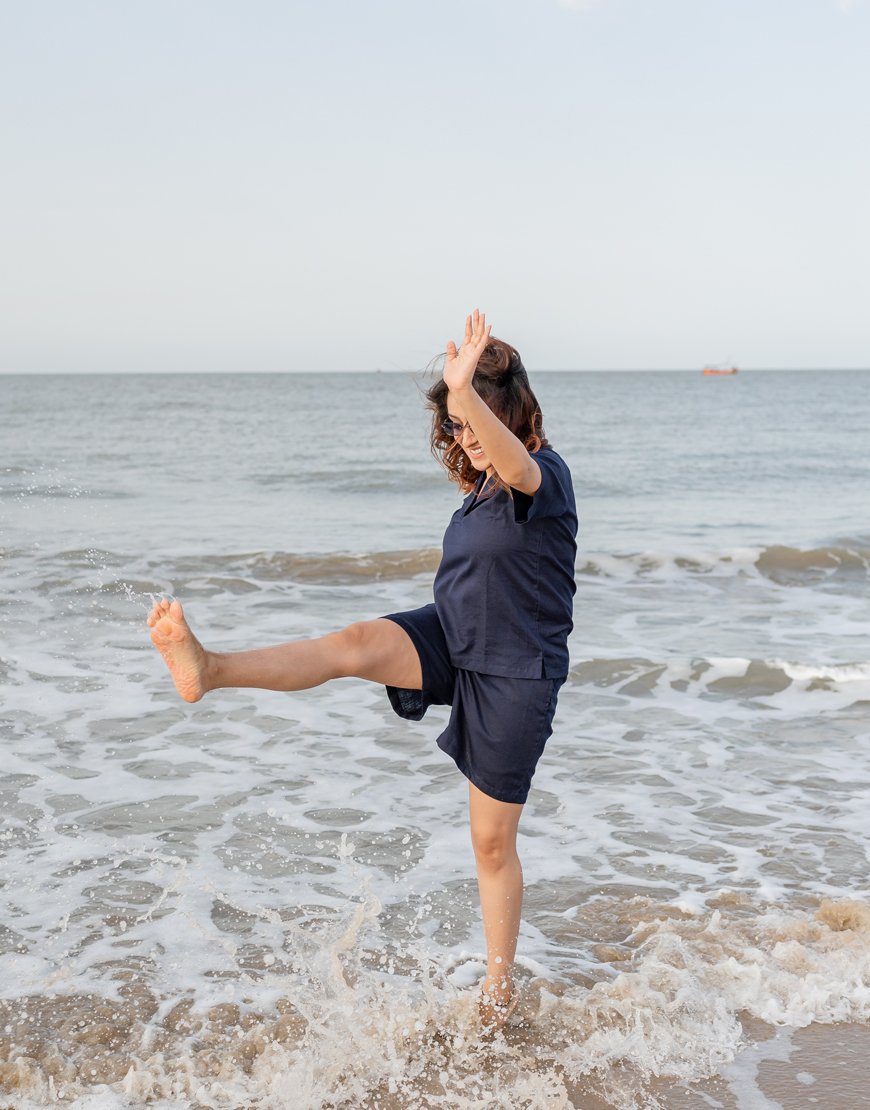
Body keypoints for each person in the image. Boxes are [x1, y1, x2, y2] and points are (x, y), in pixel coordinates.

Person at [146, 310, 577, 1032]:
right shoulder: (475, 490)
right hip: (453, 634)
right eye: (455, 425)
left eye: (472, 420)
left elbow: (514, 462)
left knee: (491, 843)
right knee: (352, 642)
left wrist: (464, 388)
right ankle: (209, 669)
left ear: (509, 410)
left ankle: (498, 994)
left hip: (515, 671)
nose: (462, 436)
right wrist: (460, 395)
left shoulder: (545, 477)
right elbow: (486, 469)